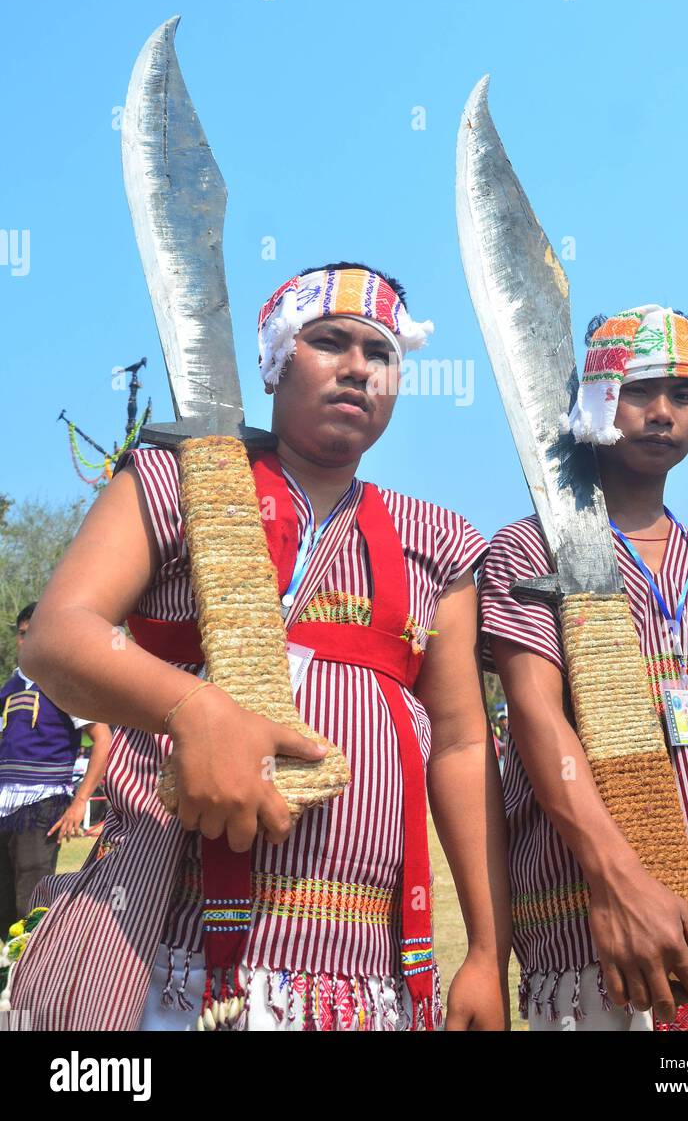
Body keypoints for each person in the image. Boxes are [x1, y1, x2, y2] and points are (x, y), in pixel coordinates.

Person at [10, 263, 511, 1031]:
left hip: (362, 968)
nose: (357, 367)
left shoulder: (438, 541)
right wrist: (195, 707)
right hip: (169, 949)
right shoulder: (176, 477)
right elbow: (57, 635)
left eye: (380, 354)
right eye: (329, 341)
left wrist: (484, 949)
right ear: (276, 361)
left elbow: (462, 743)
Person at [480, 304, 688, 1032]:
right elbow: (535, 717)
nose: (663, 412)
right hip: (593, 925)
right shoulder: (527, 551)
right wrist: (619, 881)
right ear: (596, 398)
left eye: (683, 393)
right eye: (638, 390)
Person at [0, 604, 111, 938]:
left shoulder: (64, 681)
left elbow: (102, 739)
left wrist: (80, 803)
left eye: (36, 632)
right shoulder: (8, 689)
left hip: (44, 799)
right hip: (3, 802)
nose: (28, 640)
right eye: (23, 634)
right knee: (3, 897)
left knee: (31, 895)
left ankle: (35, 974)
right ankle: (11, 975)